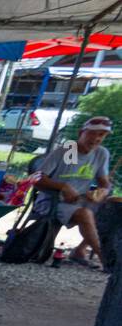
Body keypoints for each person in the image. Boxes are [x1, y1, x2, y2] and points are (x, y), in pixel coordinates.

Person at [32, 115, 113, 270]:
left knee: (112, 210)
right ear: (80, 132)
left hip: (80, 201)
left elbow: (104, 181)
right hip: (53, 200)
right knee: (85, 214)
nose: (96, 138)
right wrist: (63, 186)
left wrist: (103, 191)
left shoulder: (102, 153)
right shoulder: (64, 151)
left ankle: (80, 251)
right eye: (92, 133)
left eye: (101, 135)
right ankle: (107, 262)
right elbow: (36, 178)